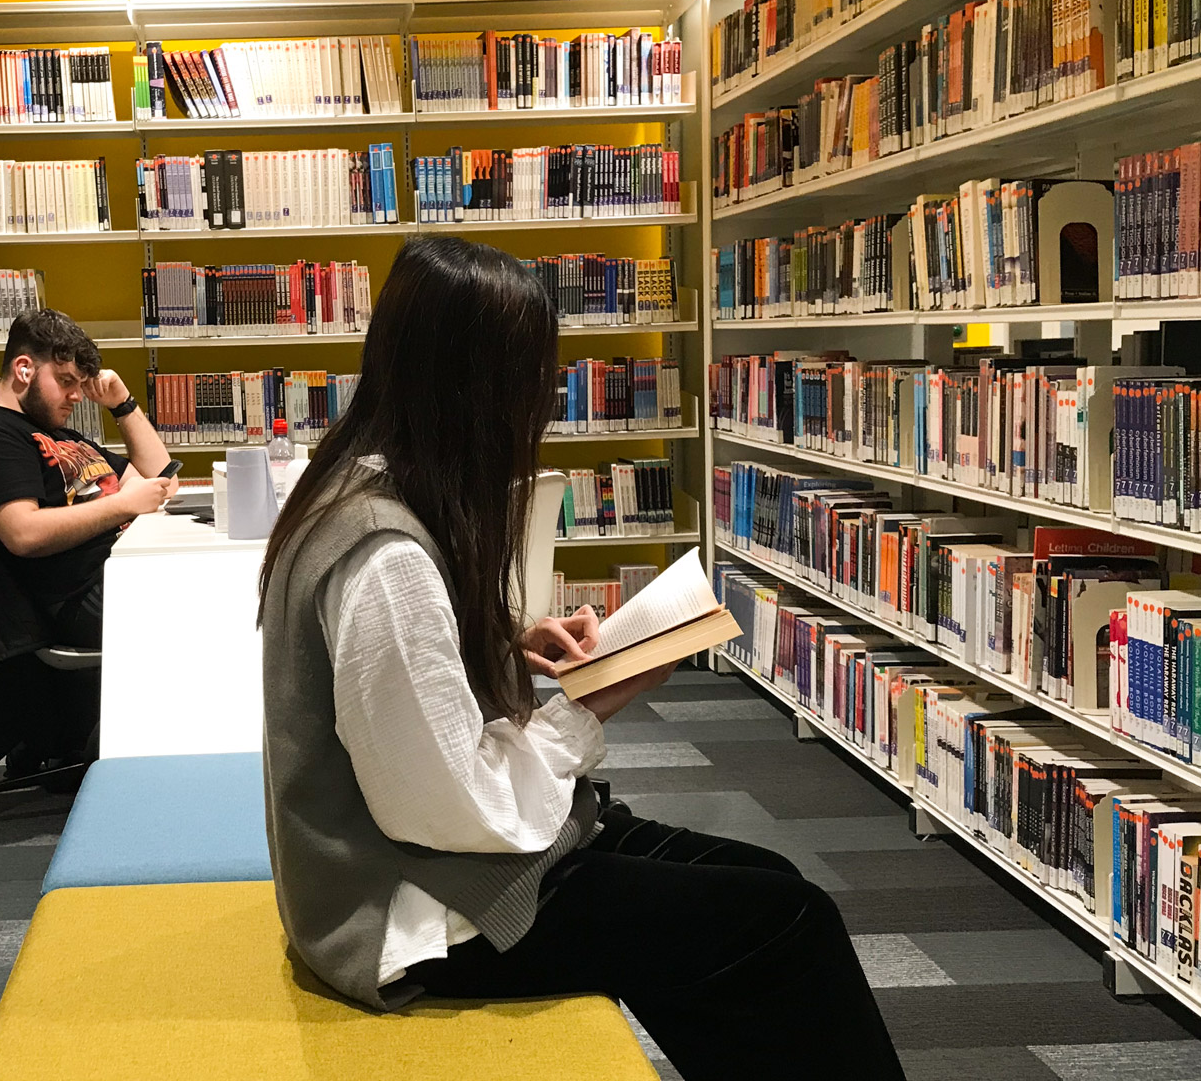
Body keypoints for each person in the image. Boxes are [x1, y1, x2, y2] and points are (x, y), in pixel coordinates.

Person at [257, 236, 905, 1081]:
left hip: (435, 866)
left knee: (765, 883)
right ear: (476, 392)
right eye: (533, 384)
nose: (544, 409)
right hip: (416, 912)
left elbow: (399, 695)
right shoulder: (388, 561)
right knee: (785, 926)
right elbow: (452, 806)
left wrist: (499, 638)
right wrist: (590, 708)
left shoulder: (354, 485)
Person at [0, 309, 180, 649]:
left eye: (81, 384)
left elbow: (164, 483)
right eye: (66, 381)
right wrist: (123, 504)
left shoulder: (69, 437)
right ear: (23, 369)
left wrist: (122, 404)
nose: (78, 396)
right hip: (79, 600)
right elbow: (24, 533)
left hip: (119, 575)